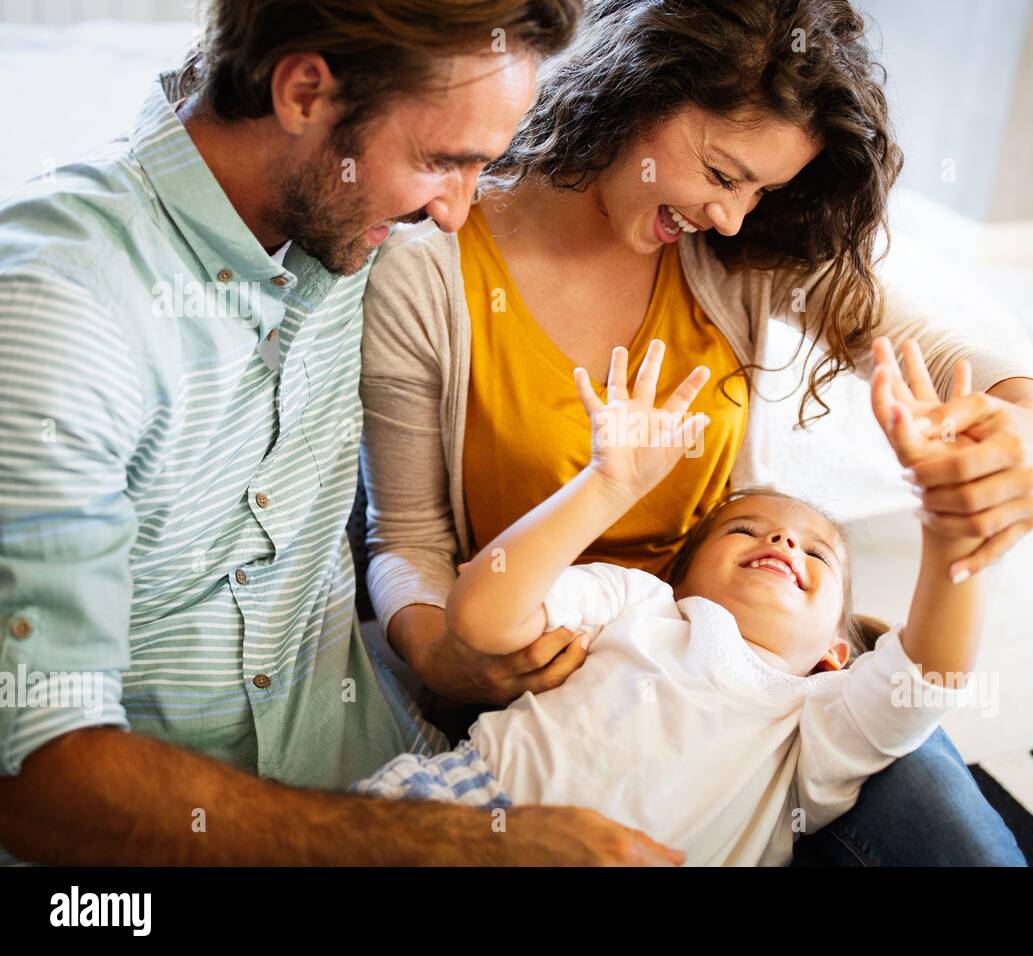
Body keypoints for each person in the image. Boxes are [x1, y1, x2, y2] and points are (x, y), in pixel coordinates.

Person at [361, 0, 1033, 864]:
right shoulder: (432, 269)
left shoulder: (735, 250)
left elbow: (952, 350)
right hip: (538, 667)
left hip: (756, 666)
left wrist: (1025, 428)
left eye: (762, 190)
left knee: (967, 854)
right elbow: (405, 538)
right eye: (724, 173)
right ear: (636, 92)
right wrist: (445, 657)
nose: (733, 216)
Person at [0, 0, 686, 866]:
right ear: (301, 92)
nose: (455, 214)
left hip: (392, 769)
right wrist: (449, 849)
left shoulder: (340, 229)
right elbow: (34, 775)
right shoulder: (59, 307)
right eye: (442, 163)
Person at [353, 339, 987, 866]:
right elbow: (480, 619)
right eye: (744, 529)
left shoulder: (815, 721)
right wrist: (604, 485)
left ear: (834, 653)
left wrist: (951, 524)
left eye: (816, 554)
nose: (784, 540)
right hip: (461, 814)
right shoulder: (638, 602)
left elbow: (928, 678)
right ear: (682, 583)